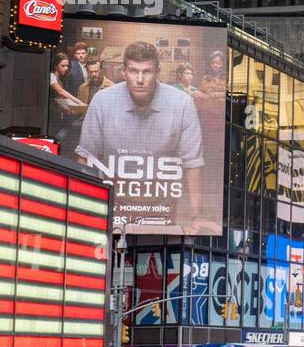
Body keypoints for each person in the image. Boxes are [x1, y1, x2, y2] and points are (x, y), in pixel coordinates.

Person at [74, 40, 209, 234]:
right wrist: (82, 210)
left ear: (157, 72)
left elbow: (193, 164)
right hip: (110, 210)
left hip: (162, 215)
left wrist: (196, 217)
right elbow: (85, 158)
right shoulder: (103, 101)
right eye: (133, 71)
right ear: (123, 71)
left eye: (146, 72)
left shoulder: (182, 104)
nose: (139, 79)